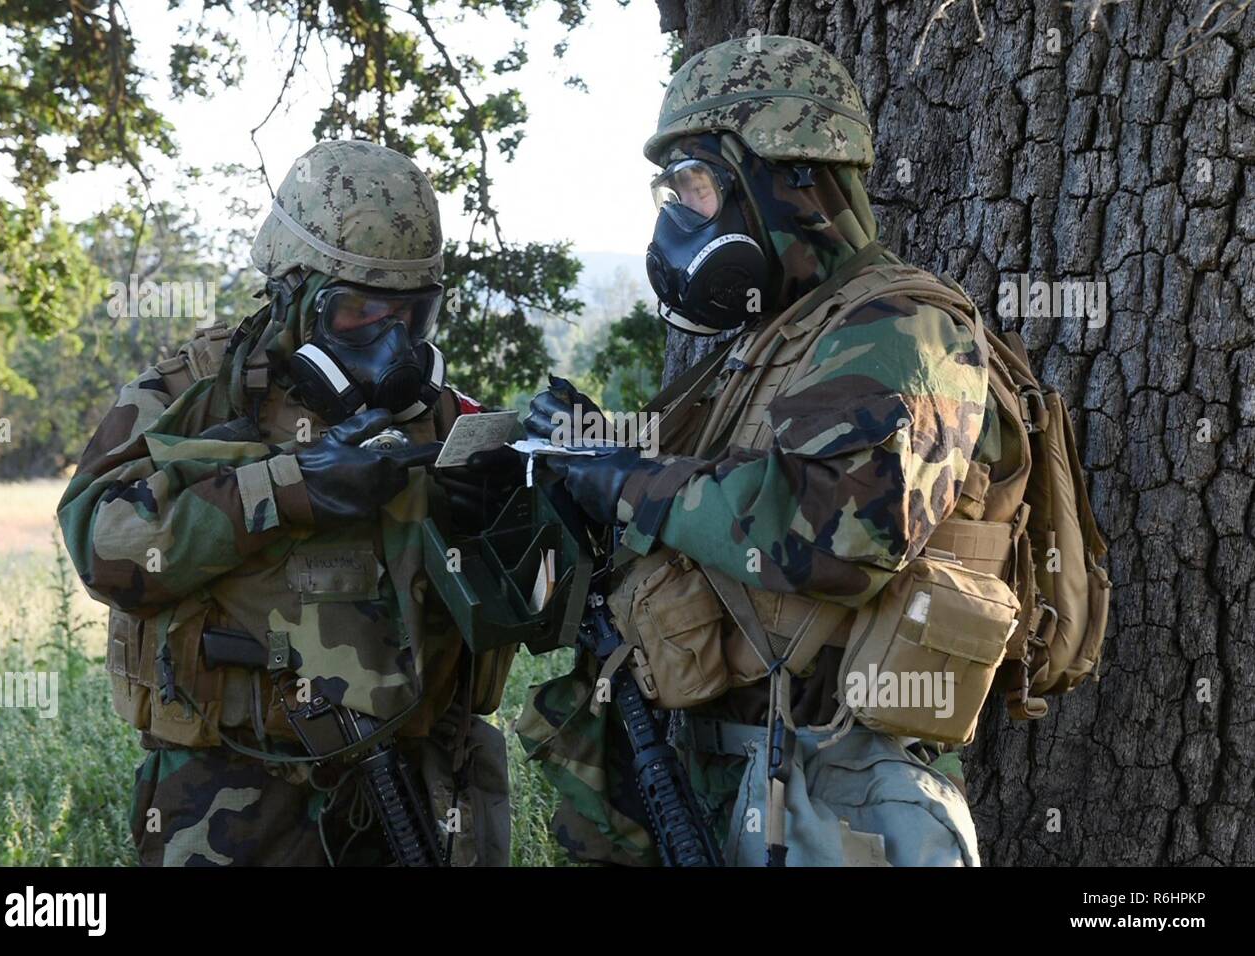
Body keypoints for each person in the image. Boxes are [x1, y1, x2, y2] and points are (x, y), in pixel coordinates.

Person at [518, 35, 1017, 867]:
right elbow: (722, 486)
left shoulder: (902, 330)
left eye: (698, 185)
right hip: (734, 763)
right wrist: (595, 449)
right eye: (673, 190)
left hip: (831, 788)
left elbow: (834, 540)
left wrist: (625, 482)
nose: (680, 217)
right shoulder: (786, 337)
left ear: (791, 179)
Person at [58, 140, 515, 866]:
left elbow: (520, 602)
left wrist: (506, 504)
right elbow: (100, 545)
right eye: (360, 313)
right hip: (239, 796)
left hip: (417, 782)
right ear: (294, 295)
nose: (393, 345)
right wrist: (285, 489)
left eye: (413, 316)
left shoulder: (442, 416)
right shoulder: (192, 396)